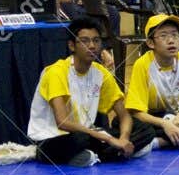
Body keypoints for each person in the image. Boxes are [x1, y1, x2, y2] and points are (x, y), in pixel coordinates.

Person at [25, 17, 158, 166]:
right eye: (85, 41)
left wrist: (124, 139)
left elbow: (124, 115)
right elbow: (62, 122)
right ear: (72, 46)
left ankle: (98, 154)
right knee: (81, 139)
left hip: (88, 133)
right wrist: (109, 139)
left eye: (96, 41)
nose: (92, 46)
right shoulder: (56, 72)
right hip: (53, 139)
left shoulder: (101, 73)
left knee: (145, 129)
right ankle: (108, 153)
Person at [124, 14, 179, 149]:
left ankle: (156, 143)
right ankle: (175, 139)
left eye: (175, 35)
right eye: (163, 36)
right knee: (124, 123)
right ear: (150, 43)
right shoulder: (142, 64)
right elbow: (136, 112)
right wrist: (164, 123)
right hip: (155, 118)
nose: (171, 41)